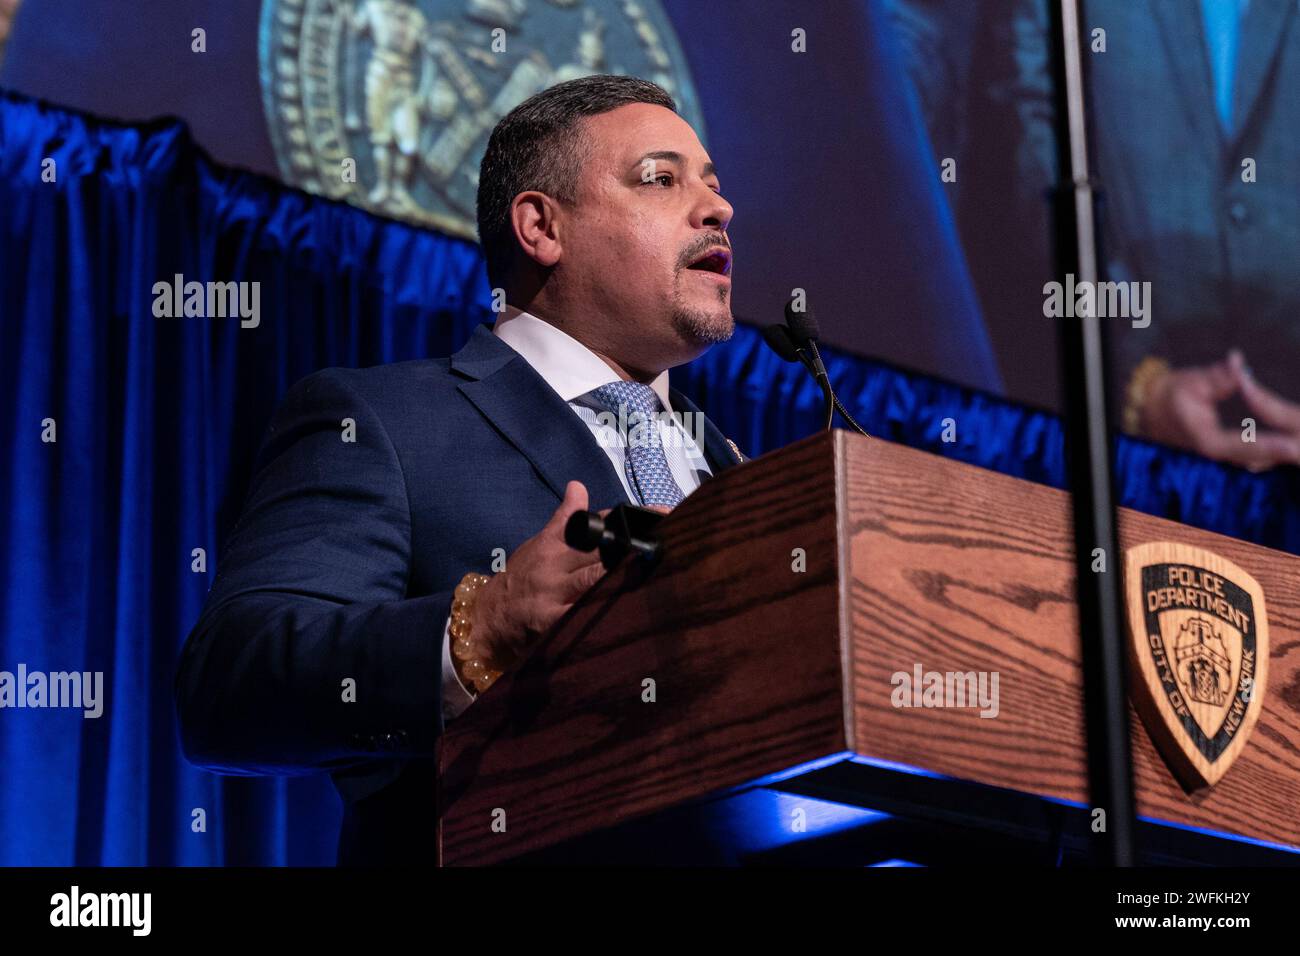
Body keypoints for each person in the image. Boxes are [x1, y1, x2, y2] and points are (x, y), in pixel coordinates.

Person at [174, 74, 746, 865]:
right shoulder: (384, 421)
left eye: (713, 186)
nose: (717, 209)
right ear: (541, 226)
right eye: (660, 179)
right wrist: (476, 631)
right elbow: (226, 688)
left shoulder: (734, 472)